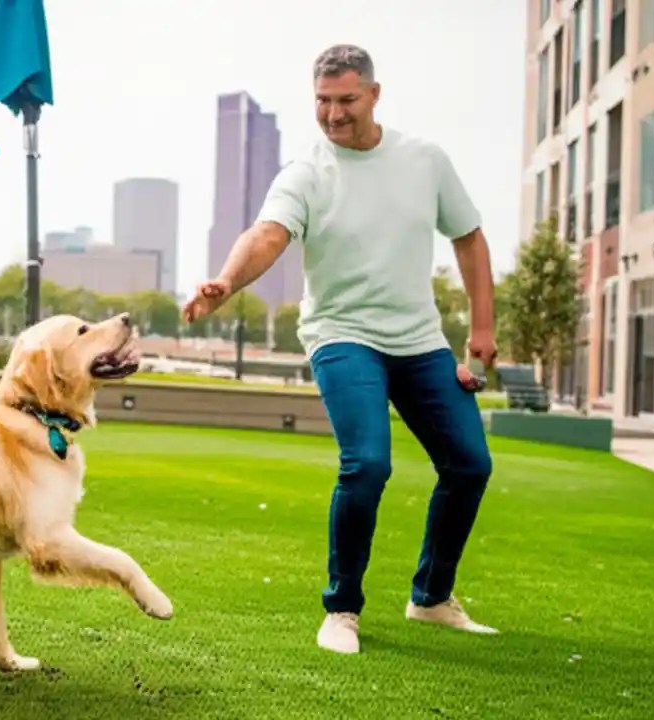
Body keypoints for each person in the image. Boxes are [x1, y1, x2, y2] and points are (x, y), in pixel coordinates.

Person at [183, 44, 498, 654]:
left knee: (470, 464)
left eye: (346, 100)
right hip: (341, 335)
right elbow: (267, 234)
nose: (333, 114)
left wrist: (481, 330)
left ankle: (431, 598)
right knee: (369, 463)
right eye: (322, 102)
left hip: (418, 340)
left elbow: (469, 236)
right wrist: (226, 280)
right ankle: (341, 610)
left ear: (374, 95)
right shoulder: (306, 173)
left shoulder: (424, 160)